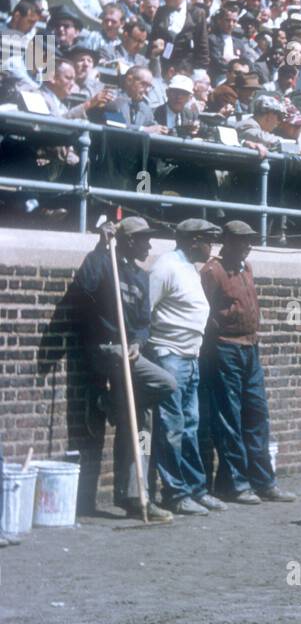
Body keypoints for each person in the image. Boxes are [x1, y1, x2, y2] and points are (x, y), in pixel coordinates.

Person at [73, 218, 177, 521]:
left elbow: (144, 324)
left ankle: (135, 495)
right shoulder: (107, 264)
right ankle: (115, 404)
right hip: (107, 347)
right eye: (144, 239)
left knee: (142, 422)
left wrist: (138, 343)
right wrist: (100, 245)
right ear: (129, 240)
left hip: (128, 353)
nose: (149, 245)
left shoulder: (141, 277)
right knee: (166, 382)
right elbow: (84, 286)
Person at [200, 221, 295, 504]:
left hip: (250, 347)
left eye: (250, 241)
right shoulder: (213, 271)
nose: (247, 246)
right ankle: (234, 484)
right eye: (242, 241)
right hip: (224, 349)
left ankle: (263, 480)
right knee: (229, 417)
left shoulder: (247, 268)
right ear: (227, 241)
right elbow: (201, 311)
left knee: (257, 415)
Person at [146, 218, 224, 516]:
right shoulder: (165, 267)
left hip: (190, 358)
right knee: (171, 427)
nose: (211, 247)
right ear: (193, 241)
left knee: (190, 425)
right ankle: (175, 493)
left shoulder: (190, 268)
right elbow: (146, 312)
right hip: (169, 357)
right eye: (208, 241)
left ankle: (195, 489)